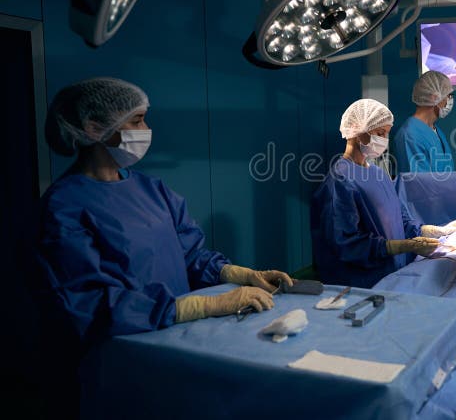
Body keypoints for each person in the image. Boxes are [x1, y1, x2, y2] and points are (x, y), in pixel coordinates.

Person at [37, 77, 294, 345]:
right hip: (121, 348)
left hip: (177, 336)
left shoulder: (151, 189)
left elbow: (190, 254)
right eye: (136, 121)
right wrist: (198, 307)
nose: (146, 129)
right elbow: (85, 301)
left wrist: (241, 274)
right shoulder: (64, 207)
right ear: (93, 128)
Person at [311, 99, 456, 288]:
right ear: (357, 131)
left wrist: (435, 231)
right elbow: (345, 244)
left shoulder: (379, 174)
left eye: (386, 134)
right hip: (357, 286)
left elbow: (400, 221)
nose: (384, 140)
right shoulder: (340, 180)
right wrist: (402, 246)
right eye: (380, 133)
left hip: (391, 276)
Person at [393, 71, 455, 173]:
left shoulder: (436, 131)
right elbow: (419, 184)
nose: (450, 100)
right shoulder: (409, 136)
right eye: (448, 95)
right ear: (434, 97)